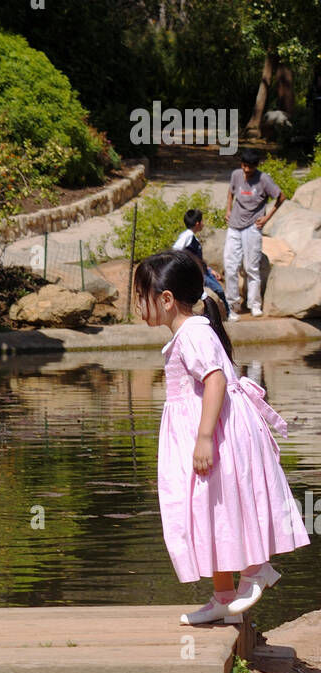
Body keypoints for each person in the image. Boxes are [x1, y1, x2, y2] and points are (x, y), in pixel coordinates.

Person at [134, 250, 309, 626]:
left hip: (217, 432)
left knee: (223, 505)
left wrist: (203, 437)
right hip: (215, 429)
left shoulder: (193, 334)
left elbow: (214, 378)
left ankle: (255, 569)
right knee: (209, 509)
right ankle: (223, 597)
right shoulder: (191, 332)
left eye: (140, 296)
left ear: (166, 298)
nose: (137, 305)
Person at [223, 149, 284, 321]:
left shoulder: (264, 179)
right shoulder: (236, 175)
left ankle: (254, 304)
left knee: (251, 267)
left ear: (256, 166)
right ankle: (232, 304)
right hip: (234, 225)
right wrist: (228, 209)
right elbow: (231, 191)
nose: (247, 170)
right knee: (230, 266)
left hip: (252, 227)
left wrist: (266, 217)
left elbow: (281, 197)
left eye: (250, 167)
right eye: (244, 166)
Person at [172, 208, 228, 314]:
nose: (203, 224)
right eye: (202, 221)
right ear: (197, 223)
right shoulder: (187, 235)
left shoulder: (192, 237)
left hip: (203, 271)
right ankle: (229, 313)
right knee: (218, 290)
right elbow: (176, 249)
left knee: (218, 289)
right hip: (198, 273)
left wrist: (209, 269)